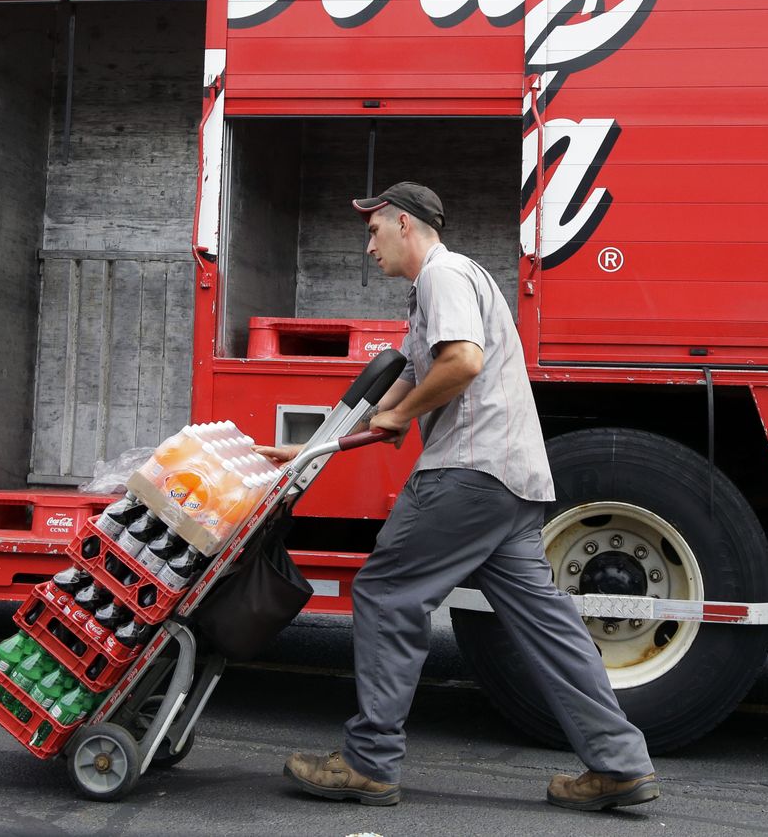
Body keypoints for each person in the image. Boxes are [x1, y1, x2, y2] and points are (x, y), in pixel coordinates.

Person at [257, 181, 658, 811]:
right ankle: (618, 764)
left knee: (387, 591)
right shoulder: (438, 291)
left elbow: (462, 364)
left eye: (374, 231)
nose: (369, 247)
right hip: (513, 481)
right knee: (547, 625)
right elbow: (413, 382)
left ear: (407, 227)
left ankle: (369, 762)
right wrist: (310, 448)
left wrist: (407, 414)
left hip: (469, 473)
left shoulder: (444, 277)